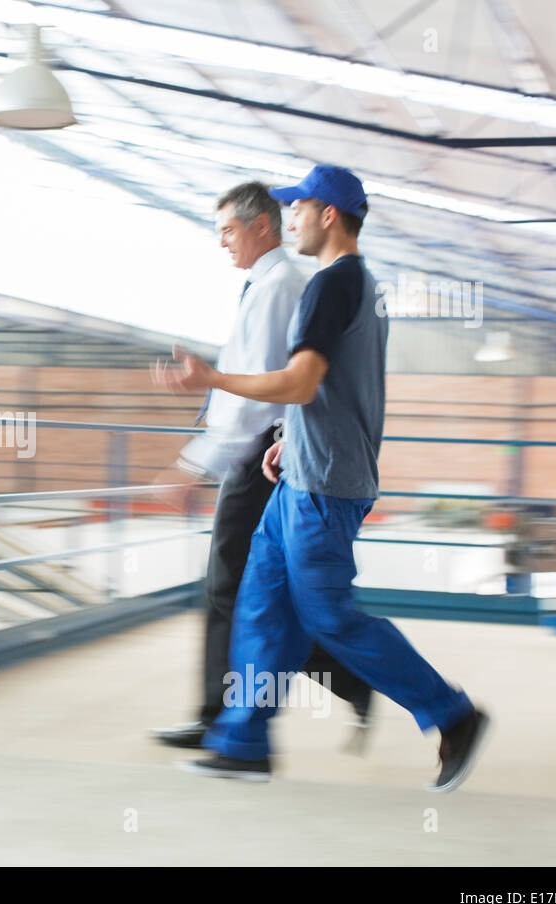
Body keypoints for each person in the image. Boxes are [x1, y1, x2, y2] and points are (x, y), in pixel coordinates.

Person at [154, 165, 489, 792]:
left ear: (328, 214)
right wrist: (288, 437)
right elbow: (326, 392)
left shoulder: (332, 284)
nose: (292, 219)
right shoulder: (349, 284)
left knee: (329, 618)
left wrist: (213, 380)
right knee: (260, 609)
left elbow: (301, 382)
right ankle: (243, 741)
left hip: (326, 487)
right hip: (301, 476)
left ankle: (455, 715)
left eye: (299, 207)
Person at [150, 182, 374, 752]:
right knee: (265, 594)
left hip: (258, 455)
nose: (222, 241)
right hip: (260, 452)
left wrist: (191, 466)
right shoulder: (266, 286)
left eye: (228, 229)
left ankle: (218, 719)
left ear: (261, 227)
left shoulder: (280, 288)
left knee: (229, 590)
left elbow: (265, 396)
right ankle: (348, 678)